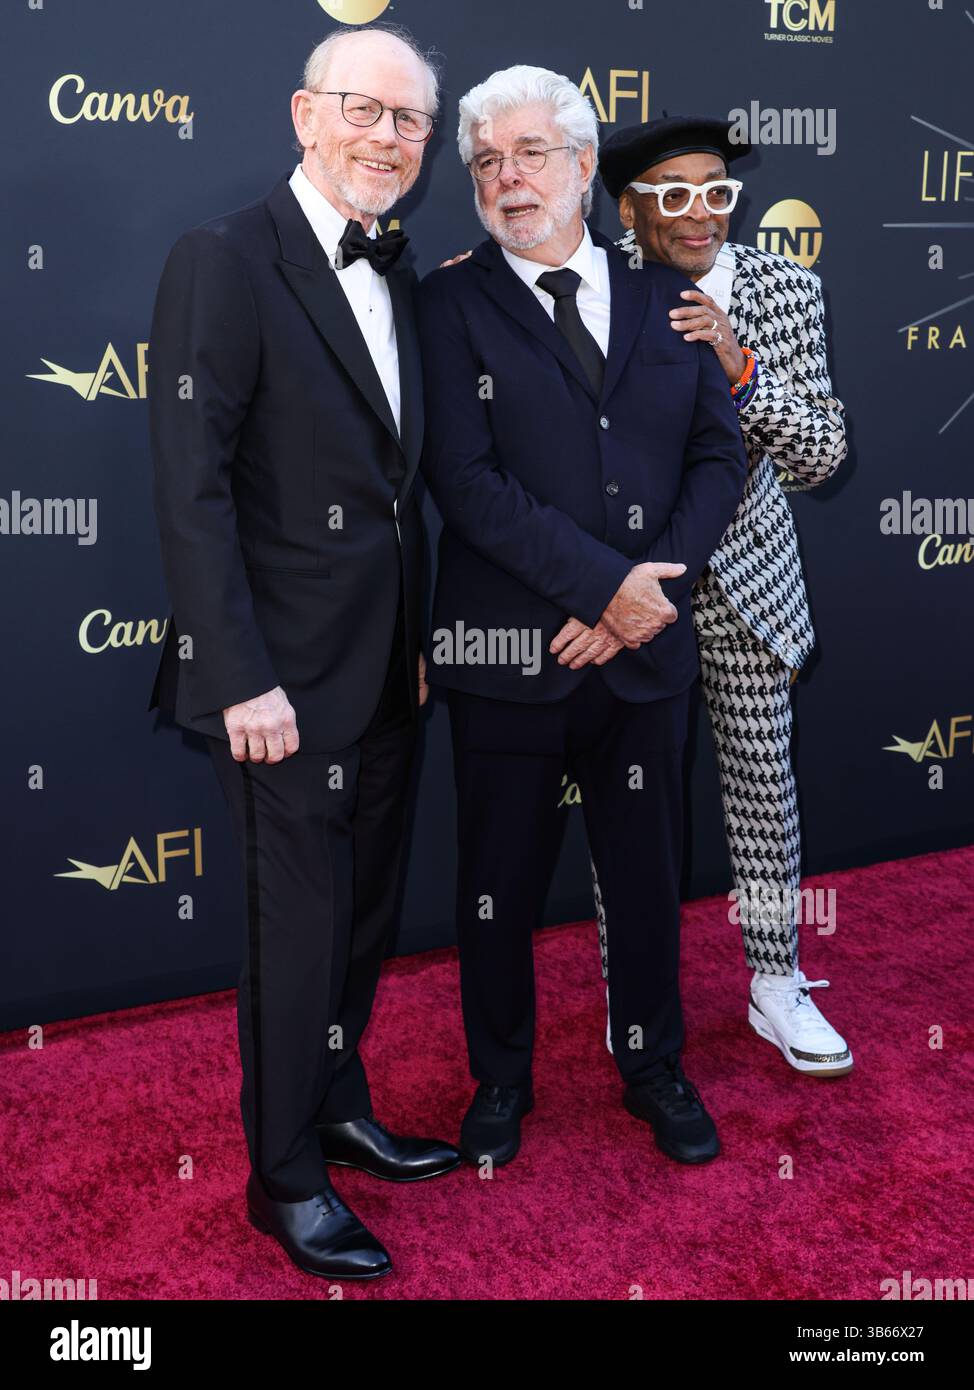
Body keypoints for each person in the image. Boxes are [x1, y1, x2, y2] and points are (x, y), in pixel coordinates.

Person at [147, 24, 458, 1281]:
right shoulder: (223, 258)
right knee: (298, 931)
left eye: (409, 122)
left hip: (385, 670)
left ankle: (337, 1106)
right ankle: (283, 1179)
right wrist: (240, 679)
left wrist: (417, 643)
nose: (386, 138)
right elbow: (191, 490)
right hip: (273, 687)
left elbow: (398, 488)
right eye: (362, 111)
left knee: (364, 918)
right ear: (302, 113)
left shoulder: (404, 272)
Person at [418, 67, 748, 1169]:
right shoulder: (446, 303)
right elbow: (464, 483)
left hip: (645, 648)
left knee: (650, 878)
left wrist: (644, 596)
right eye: (484, 164)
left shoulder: (669, 296)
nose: (507, 179)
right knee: (494, 884)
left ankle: (653, 1066)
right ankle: (499, 1079)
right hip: (506, 651)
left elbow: (715, 454)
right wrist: (599, 588)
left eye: (528, 154)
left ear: (579, 164)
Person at [593, 116, 852, 1077]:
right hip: (634, 589)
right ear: (631, 207)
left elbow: (822, 456)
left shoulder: (787, 290)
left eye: (716, 188)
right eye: (673, 191)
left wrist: (742, 366)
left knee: (761, 789)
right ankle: (635, 999)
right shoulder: (592, 283)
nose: (699, 211)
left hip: (748, 585)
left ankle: (776, 983)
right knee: (631, 802)